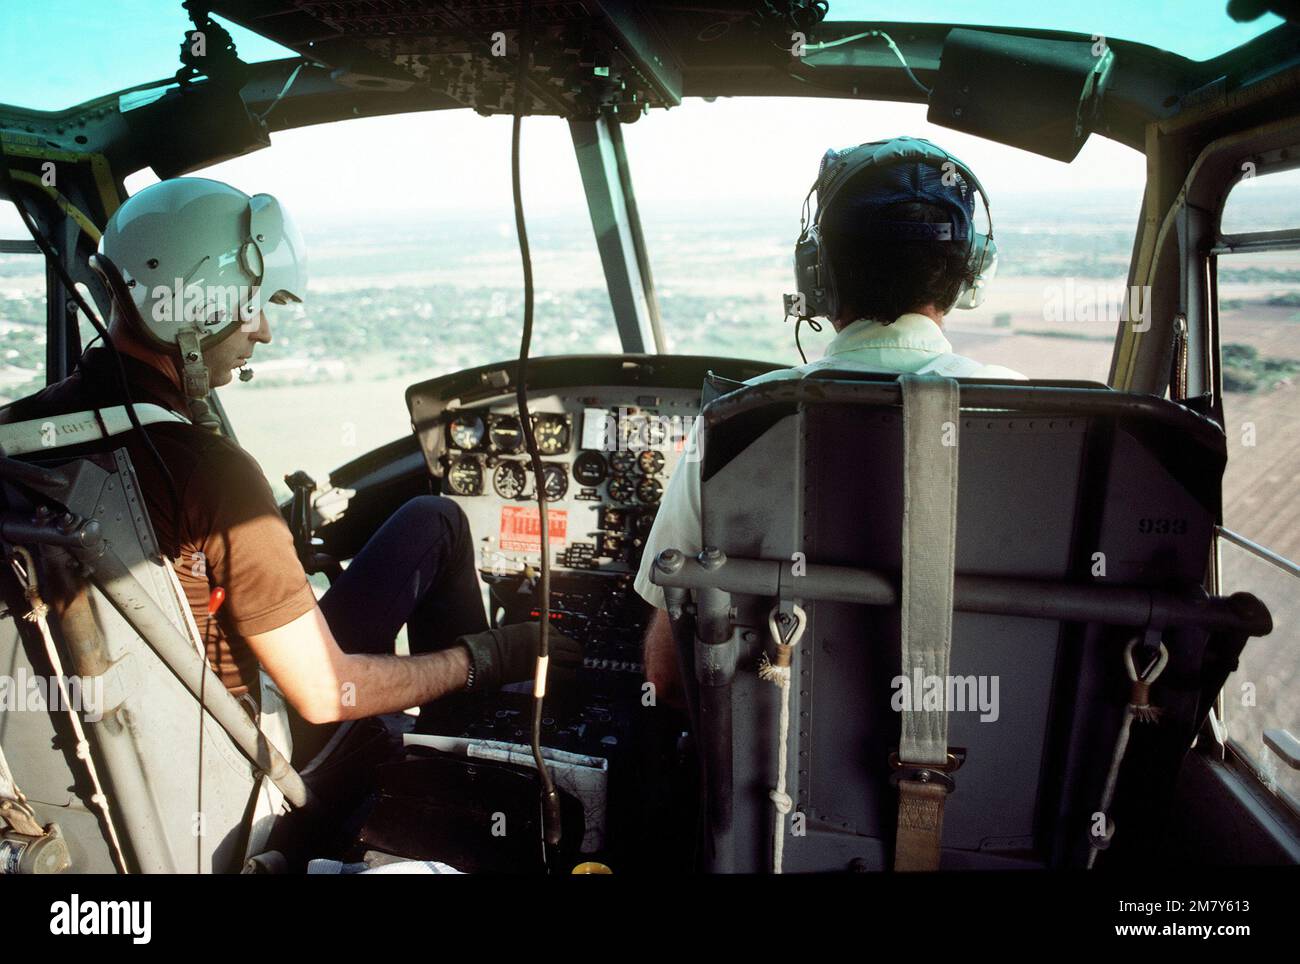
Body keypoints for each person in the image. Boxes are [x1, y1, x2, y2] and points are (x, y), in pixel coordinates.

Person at [1, 177, 579, 728]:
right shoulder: (208, 472)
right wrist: (489, 657)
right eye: (254, 306)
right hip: (244, 749)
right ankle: (461, 766)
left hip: (113, 748)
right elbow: (325, 694)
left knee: (434, 518)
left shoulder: (16, 432)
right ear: (203, 304)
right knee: (440, 521)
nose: (265, 331)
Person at [632, 137, 1024, 705]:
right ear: (971, 271)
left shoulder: (740, 422)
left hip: (770, 783)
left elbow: (667, 676)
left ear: (818, 274)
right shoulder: (1029, 414)